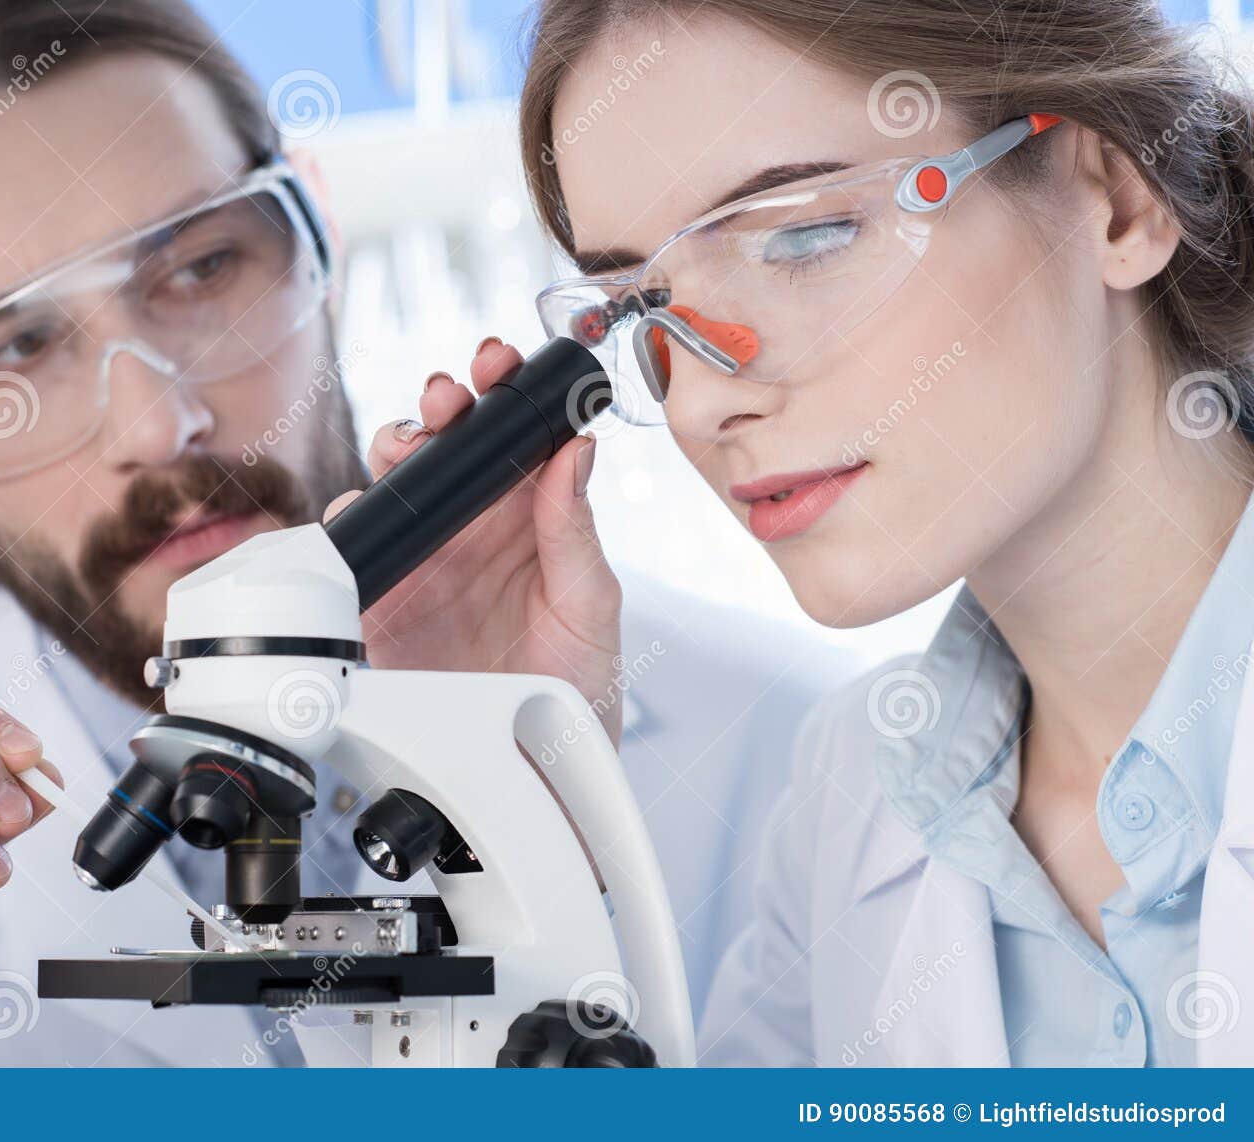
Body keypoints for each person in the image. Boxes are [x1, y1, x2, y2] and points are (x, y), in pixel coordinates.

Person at [0, 0, 841, 1067]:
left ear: (317, 240)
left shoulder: (797, 755)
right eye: (11, 351)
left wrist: (512, 805)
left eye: (203, 267)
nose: (160, 421)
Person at [353, 0, 1254, 1065]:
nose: (698, 406)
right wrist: (505, 808)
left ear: (1113, 200)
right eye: (644, 308)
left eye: (806, 235)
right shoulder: (852, 797)